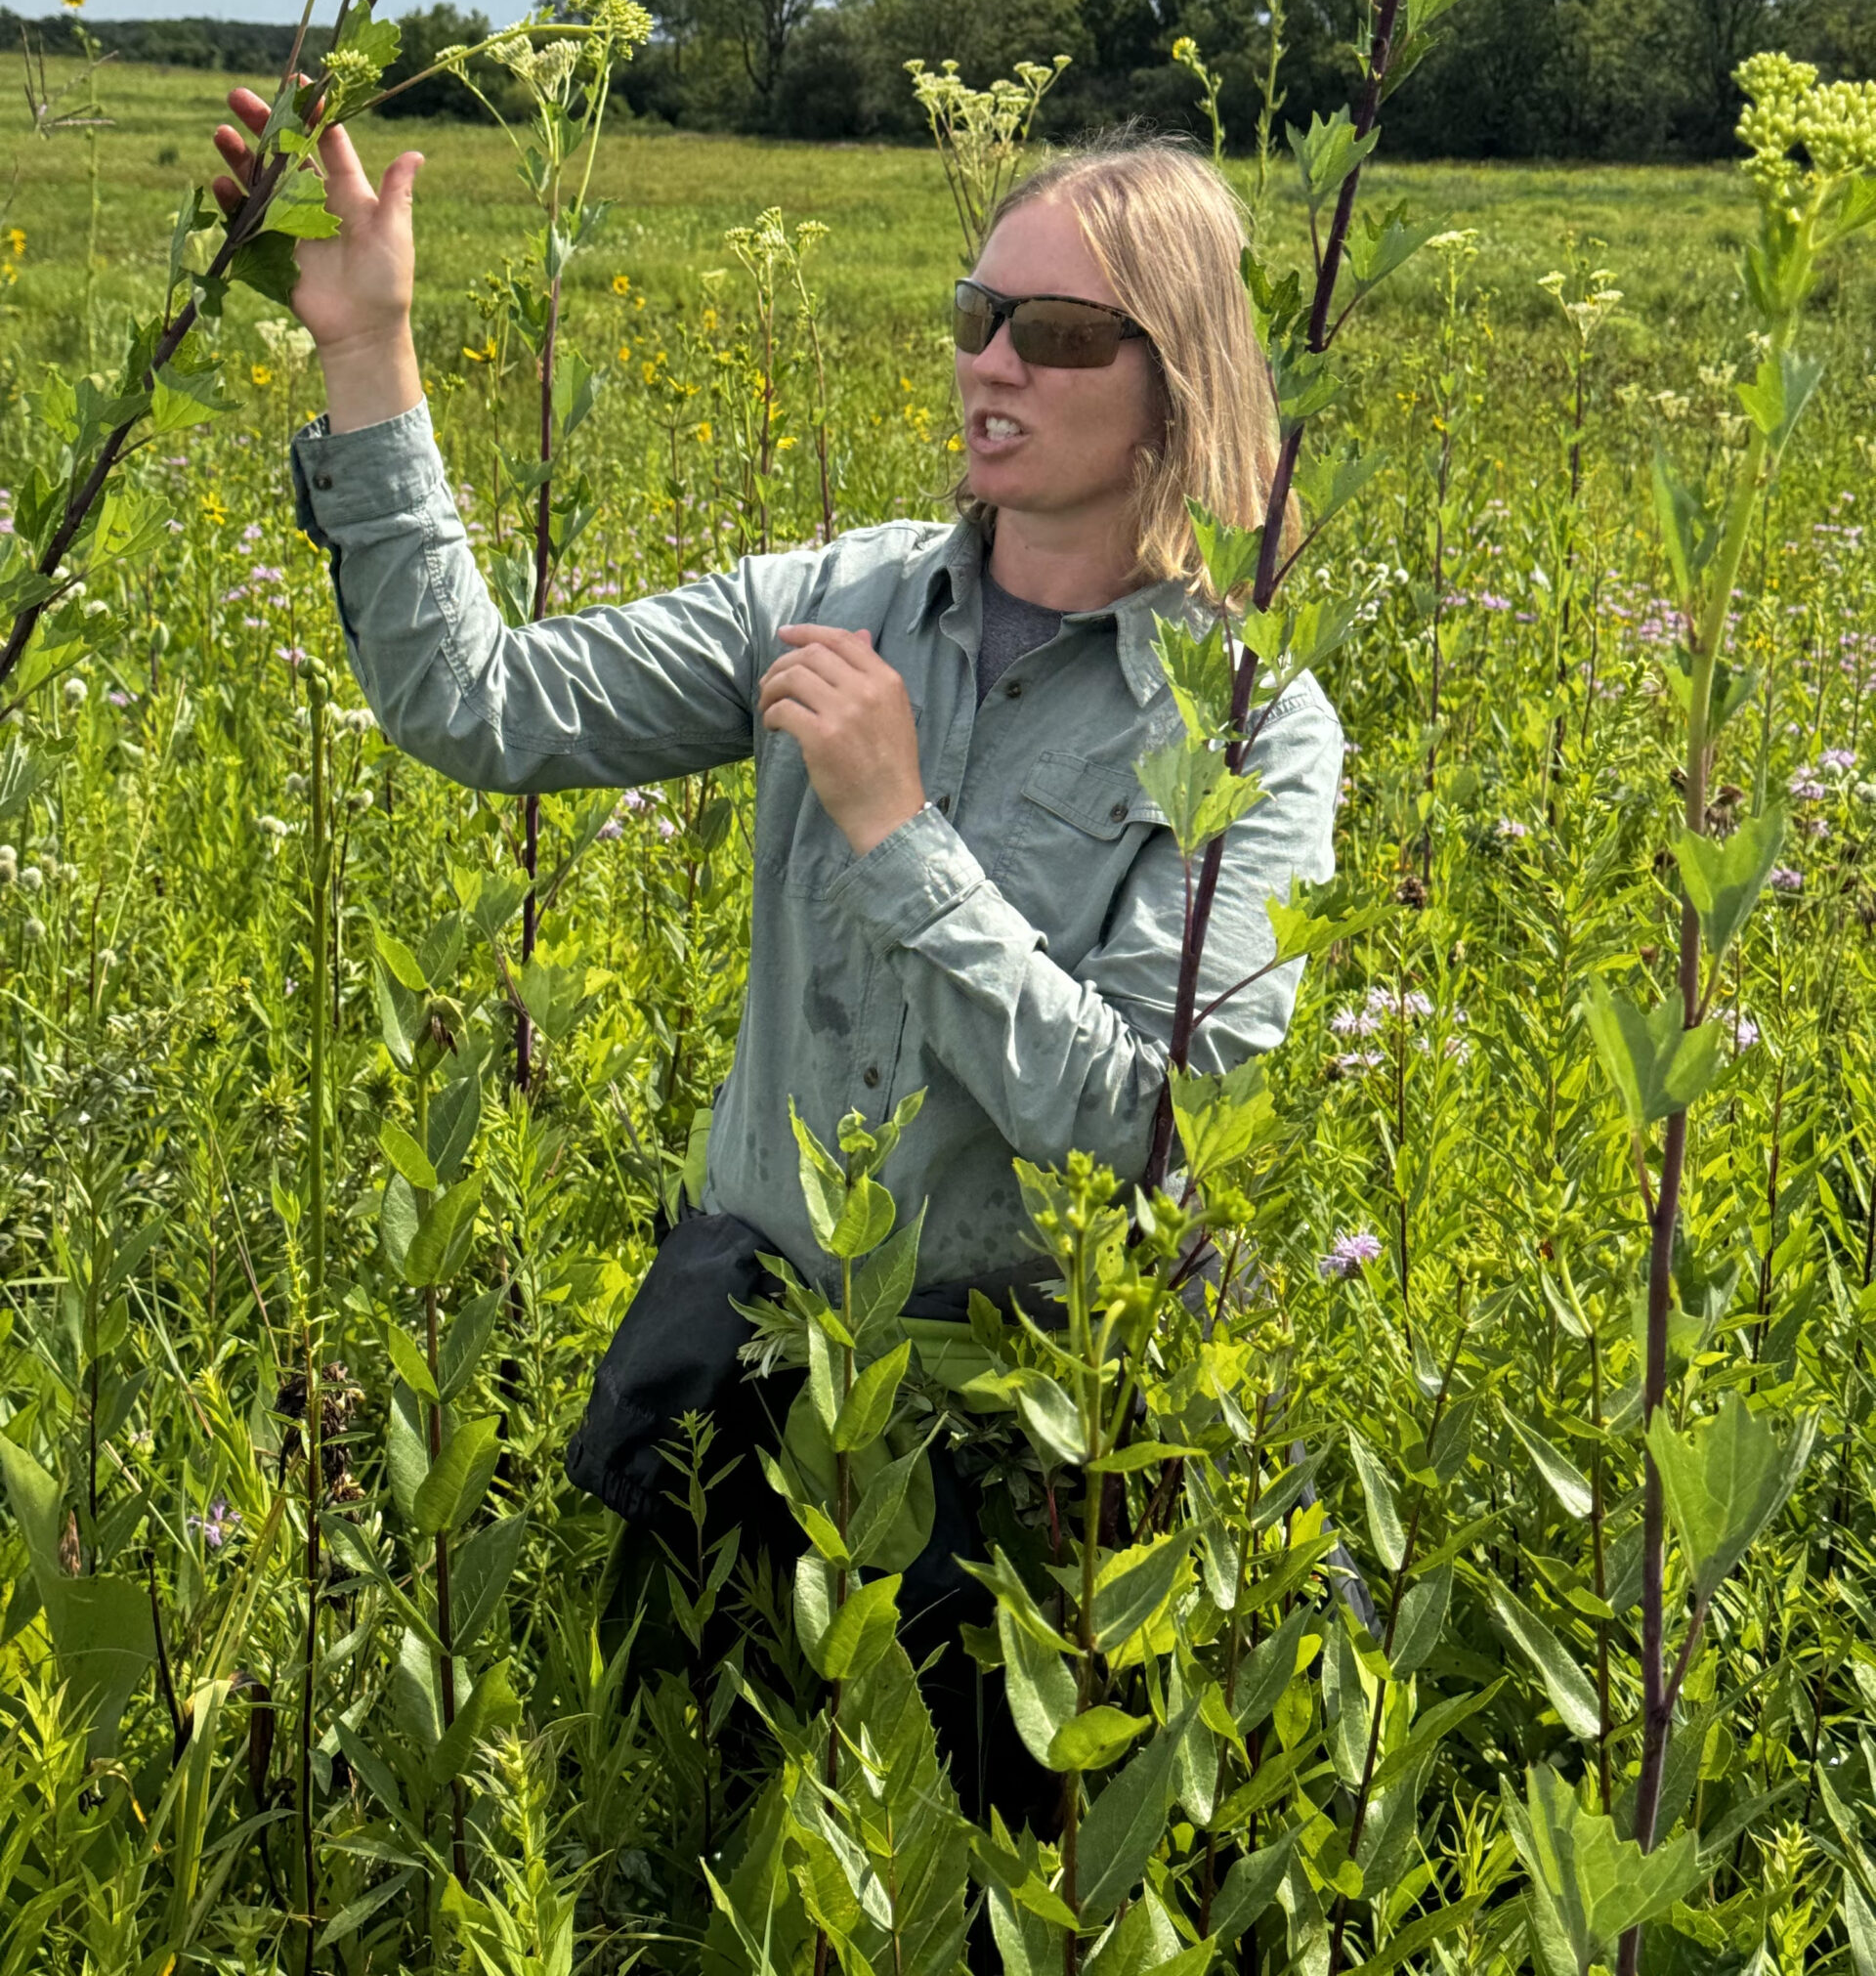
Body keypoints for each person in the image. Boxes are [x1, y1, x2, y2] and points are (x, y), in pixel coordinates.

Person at [209, 97, 1343, 1814]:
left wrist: (901, 839)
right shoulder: (837, 600)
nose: (994, 366)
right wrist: (372, 353)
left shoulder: (1251, 719)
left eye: (1054, 337)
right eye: (978, 316)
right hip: (751, 1385)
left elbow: (1166, 1132)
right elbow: (483, 702)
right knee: (696, 1862)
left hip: (1033, 1455)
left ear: (1178, 381)